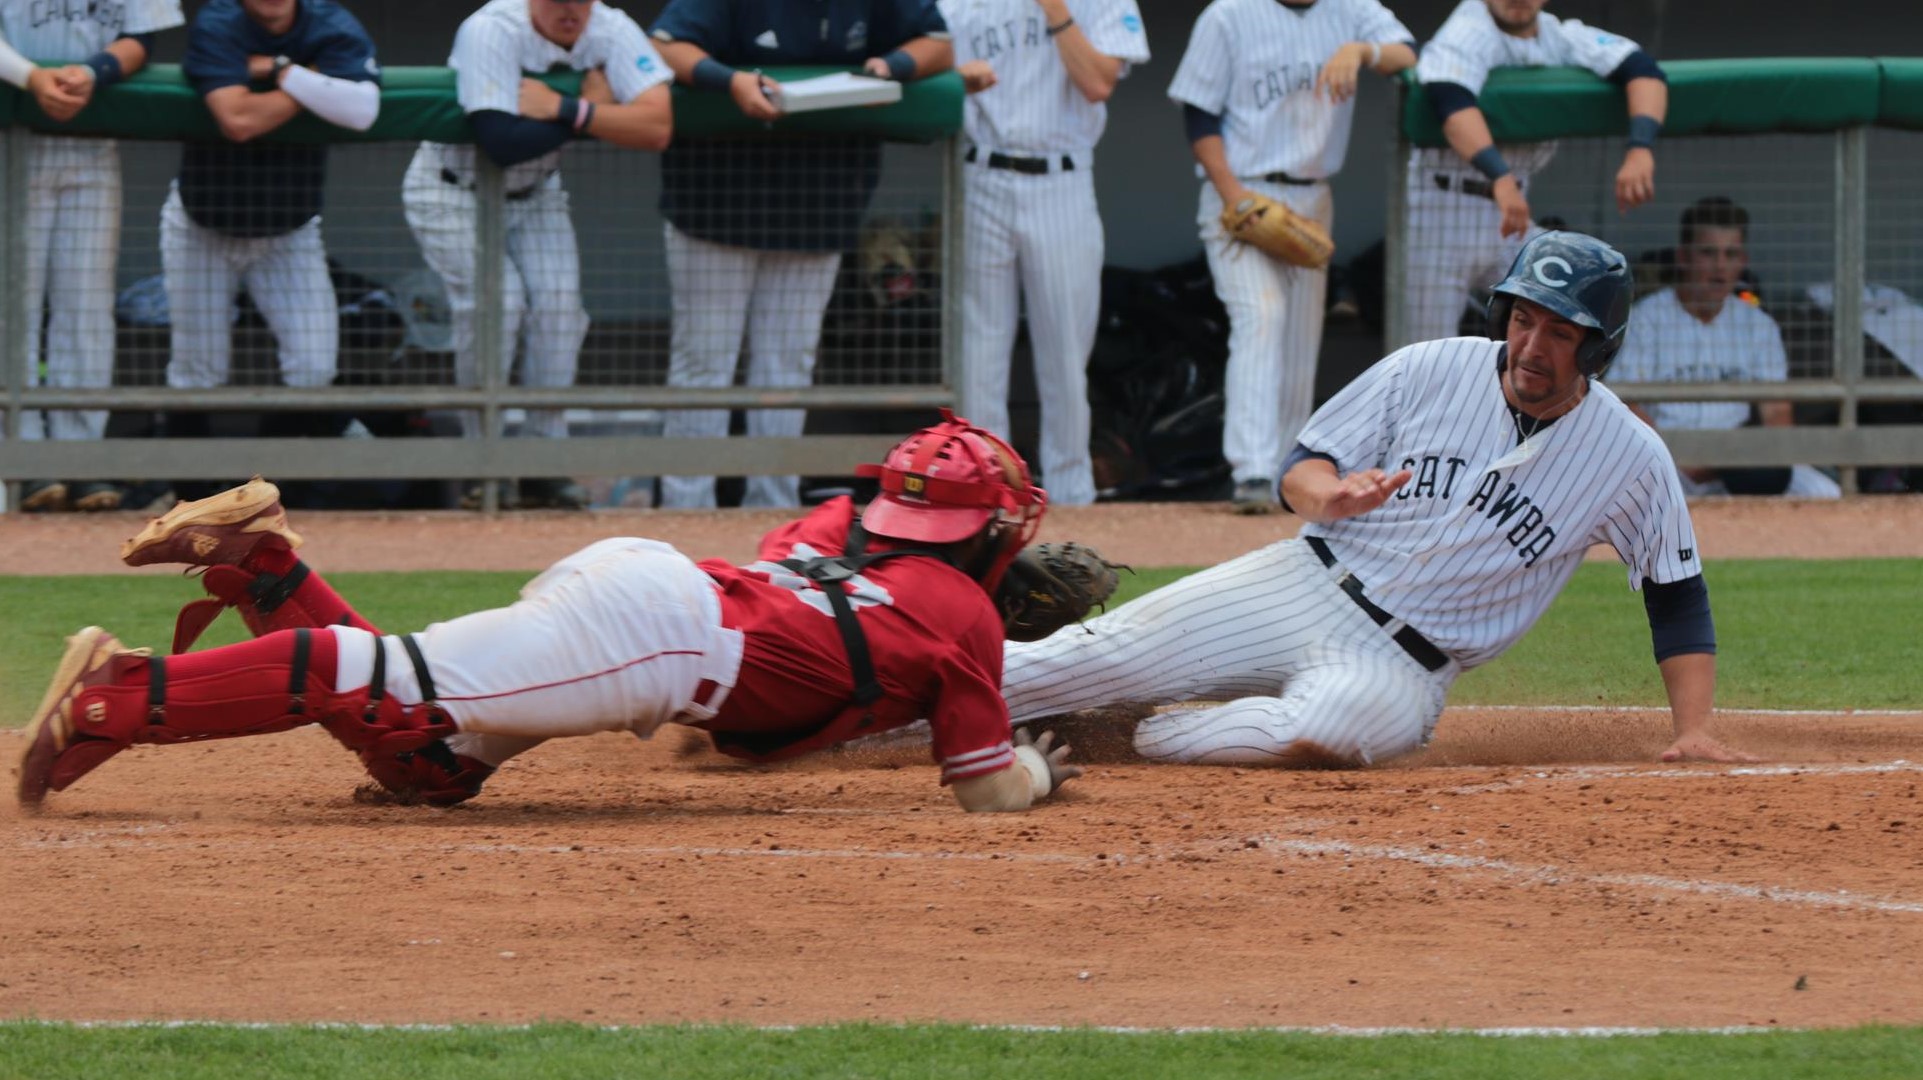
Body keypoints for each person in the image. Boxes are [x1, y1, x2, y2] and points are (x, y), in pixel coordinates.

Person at [18, 411, 1082, 815]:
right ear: (997, 530)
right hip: (658, 637)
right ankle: (120, 695)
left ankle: (265, 570)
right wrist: (1037, 770)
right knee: (382, 674)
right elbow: (985, 790)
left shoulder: (832, 529)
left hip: (663, 596)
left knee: (426, 761)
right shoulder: (961, 617)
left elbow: (856, 590)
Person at [997, 231, 1758, 769]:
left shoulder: (1629, 457)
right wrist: (1327, 495)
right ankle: (884, 682)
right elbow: (1304, 464)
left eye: (1559, 333)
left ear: (1598, 347)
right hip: (1297, 584)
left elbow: (1676, 594)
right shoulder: (1430, 367)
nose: (1531, 346)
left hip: (1401, 670)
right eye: (1523, 319)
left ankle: (1124, 734)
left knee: (1316, 736)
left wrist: (1692, 729)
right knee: (1066, 661)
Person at [648, 0, 953, 509]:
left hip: (819, 207)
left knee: (786, 366)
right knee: (705, 363)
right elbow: (664, 45)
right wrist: (730, 81)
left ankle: (773, 507)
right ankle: (687, 508)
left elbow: (940, 44)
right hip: (716, 205)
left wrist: (890, 66)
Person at [404, 0, 674, 511]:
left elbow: (656, 126)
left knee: (558, 311)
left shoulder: (611, 29)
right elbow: (500, 139)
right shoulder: (491, 28)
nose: (570, 9)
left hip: (538, 193)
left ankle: (543, 463)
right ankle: (483, 461)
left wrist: (566, 108)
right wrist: (594, 114)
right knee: (498, 305)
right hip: (452, 189)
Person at [1166, 0, 1415, 513]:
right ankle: (1252, 469)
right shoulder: (1227, 15)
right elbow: (1199, 117)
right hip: (1241, 192)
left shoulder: (1350, 11)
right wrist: (1233, 195)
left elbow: (1409, 56)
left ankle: (1282, 469)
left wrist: (1361, 50)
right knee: (1261, 315)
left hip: (1311, 194)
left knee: (1301, 340)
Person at [159, 0, 382, 484]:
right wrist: (311, 84)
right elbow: (238, 119)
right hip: (204, 225)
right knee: (198, 370)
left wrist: (282, 72)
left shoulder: (331, 24)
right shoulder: (219, 23)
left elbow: (362, 110)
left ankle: (267, 490)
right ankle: (191, 497)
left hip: (289, 231)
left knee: (314, 364)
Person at [941, 0, 1150, 508]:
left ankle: (1073, 492)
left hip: (1062, 178)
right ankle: (984, 492)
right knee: (979, 351)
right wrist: (952, 78)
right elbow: (921, 63)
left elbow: (1098, 82)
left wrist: (1055, 8)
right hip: (980, 173)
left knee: (1064, 350)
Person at [0, 0, 184, 512]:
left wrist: (92, 71)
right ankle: (22, 458)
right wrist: (31, 76)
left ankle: (80, 457)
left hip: (91, 144)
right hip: (10, 138)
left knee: (85, 310)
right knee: (11, 306)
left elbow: (142, 38)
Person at [1403, 0, 1666, 346]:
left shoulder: (1558, 35)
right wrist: (1500, 176)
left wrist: (1640, 148)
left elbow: (1644, 70)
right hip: (1441, 212)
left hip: (1510, 213)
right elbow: (1451, 103)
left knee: (1575, 298)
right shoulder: (1466, 30)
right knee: (1426, 351)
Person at [1610, 197, 1841, 499]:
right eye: (1708, 253)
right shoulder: (1646, 318)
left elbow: (1777, 411)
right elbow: (1627, 404)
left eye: (1730, 254)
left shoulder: (1758, 325)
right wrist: (1675, 456)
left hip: (1734, 462)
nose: (1720, 266)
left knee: (1825, 493)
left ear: (1742, 261)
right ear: (1684, 257)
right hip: (1665, 459)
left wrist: (1763, 465)